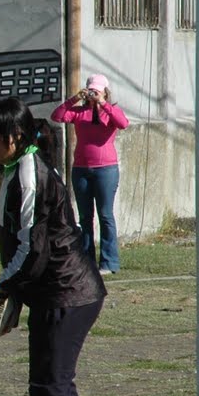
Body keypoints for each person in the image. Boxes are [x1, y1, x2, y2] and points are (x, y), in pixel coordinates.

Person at [0, 97, 107, 396]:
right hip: (59, 291)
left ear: (14, 137)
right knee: (57, 380)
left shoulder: (30, 173)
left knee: (49, 382)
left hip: (67, 291)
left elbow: (32, 247)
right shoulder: (17, 168)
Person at [51, 73, 129, 274]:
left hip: (106, 170)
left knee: (105, 215)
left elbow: (123, 123)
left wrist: (103, 104)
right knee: (85, 216)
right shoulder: (79, 112)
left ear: (105, 91)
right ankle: (87, 261)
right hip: (81, 169)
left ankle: (109, 262)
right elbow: (57, 116)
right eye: (91, 90)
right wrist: (74, 99)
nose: (93, 94)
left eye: (97, 90)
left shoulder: (110, 111)